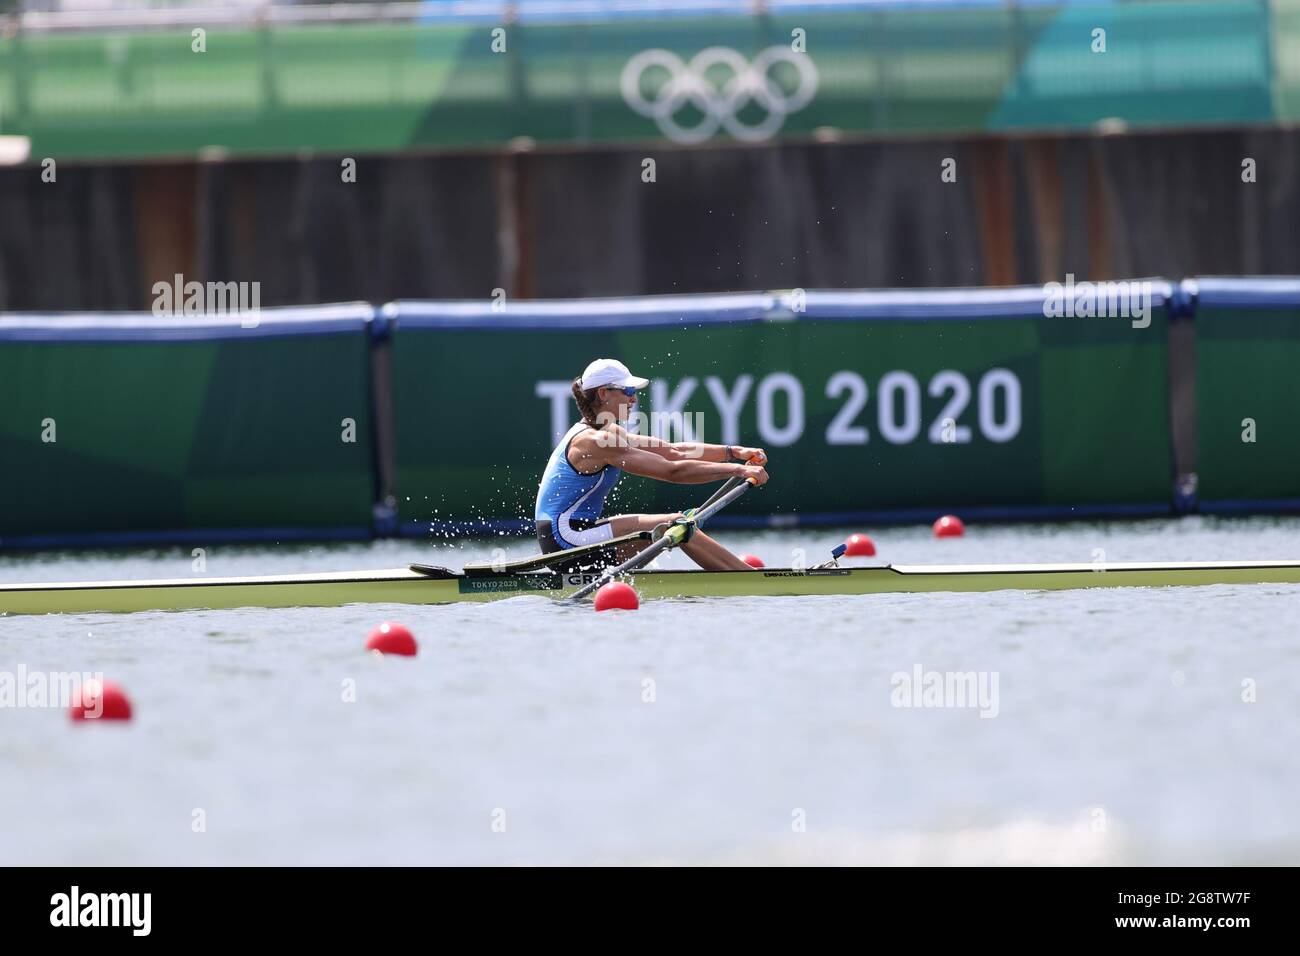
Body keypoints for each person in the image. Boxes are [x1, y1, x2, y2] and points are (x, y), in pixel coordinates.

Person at [534, 358, 768, 571]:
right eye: (628, 391)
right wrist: (739, 470)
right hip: (565, 540)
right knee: (676, 523)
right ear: (604, 393)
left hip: (578, 532)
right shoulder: (595, 441)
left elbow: (672, 451)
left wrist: (733, 452)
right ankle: (748, 577)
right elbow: (672, 471)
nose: (634, 398)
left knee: (660, 532)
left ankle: (738, 574)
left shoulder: (606, 432)